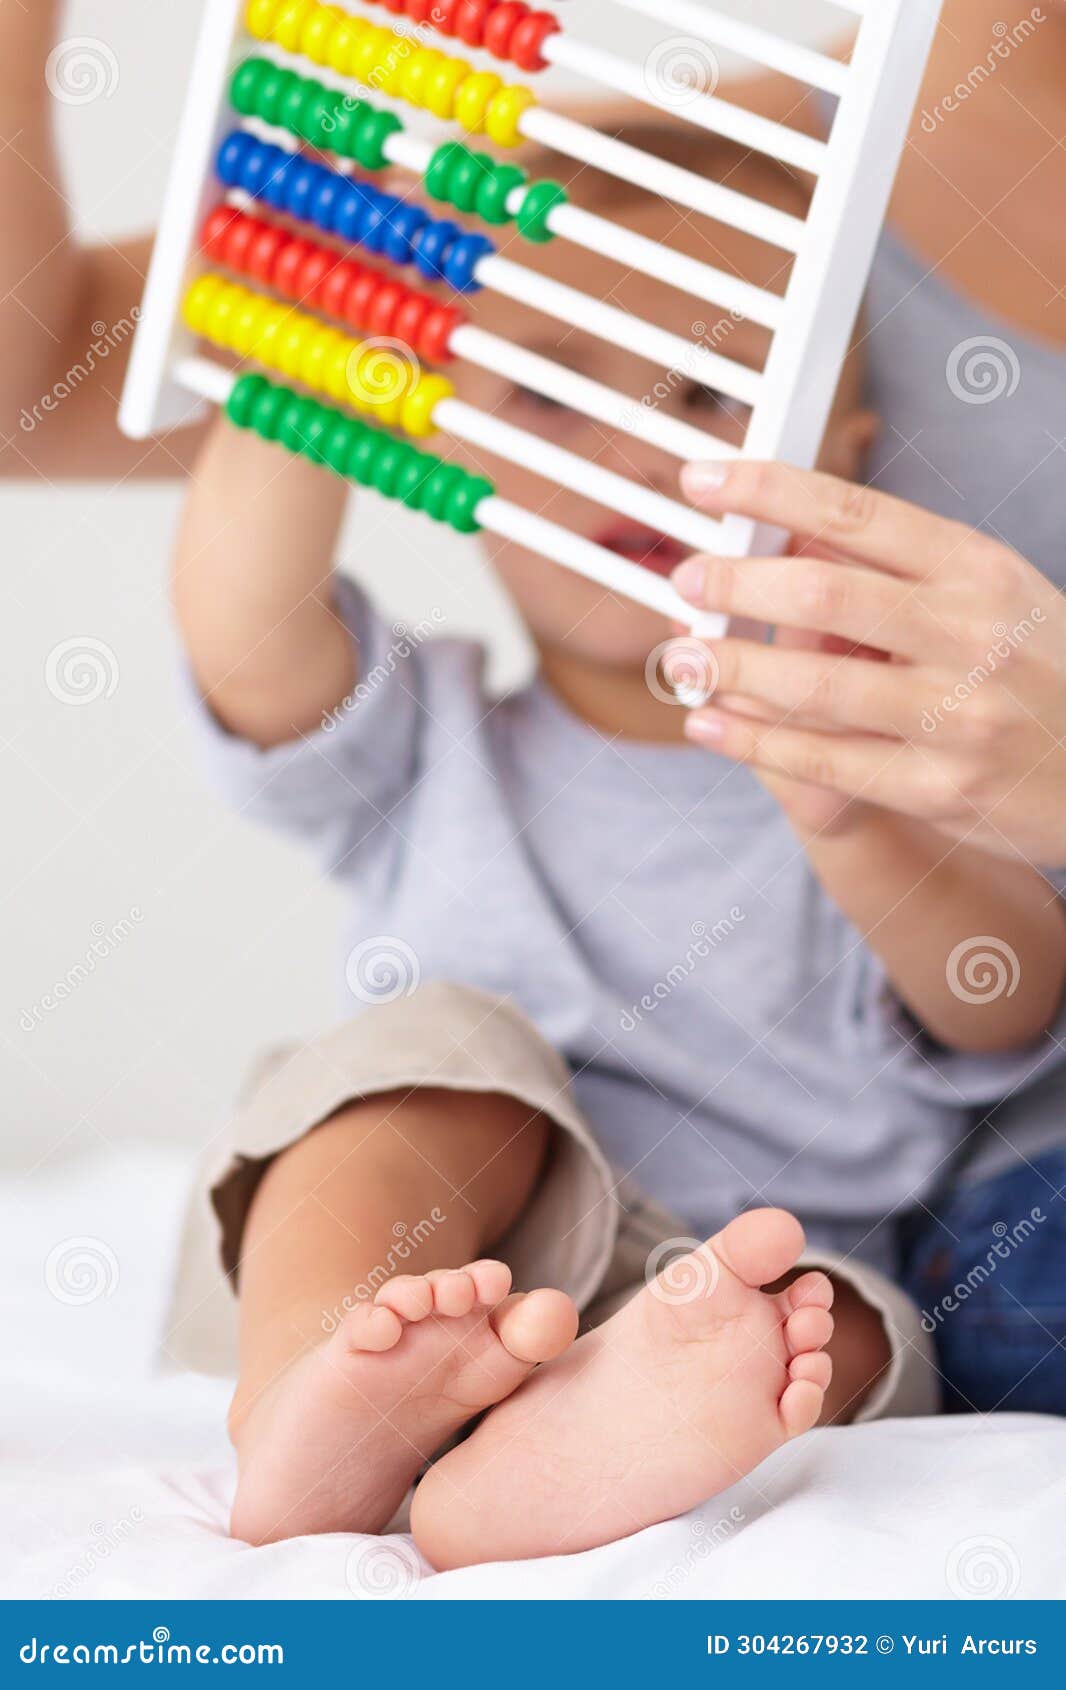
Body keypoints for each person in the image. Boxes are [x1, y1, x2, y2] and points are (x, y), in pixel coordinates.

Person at [163, 118, 1064, 1570]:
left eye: (706, 392)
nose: (637, 452)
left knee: (837, 1325)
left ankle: (556, 1457)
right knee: (424, 1074)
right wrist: (300, 350)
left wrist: (853, 826)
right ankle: (310, 1392)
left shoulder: (885, 752)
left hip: (732, 1276)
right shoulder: (428, 731)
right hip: (445, 1248)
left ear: (837, 463)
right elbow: (240, 619)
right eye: (551, 398)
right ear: (442, 457)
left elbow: (1003, 995)